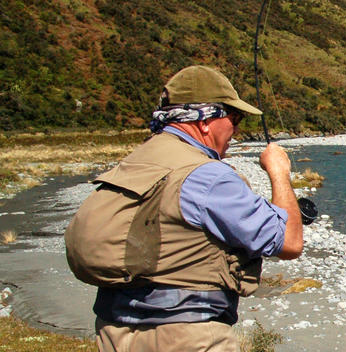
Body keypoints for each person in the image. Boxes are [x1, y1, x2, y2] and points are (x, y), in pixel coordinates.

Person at [64, 65, 303, 351]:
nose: (237, 128)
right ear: (205, 120)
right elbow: (289, 242)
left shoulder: (136, 160)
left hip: (114, 333)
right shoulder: (208, 176)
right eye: (234, 117)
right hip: (187, 337)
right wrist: (279, 172)